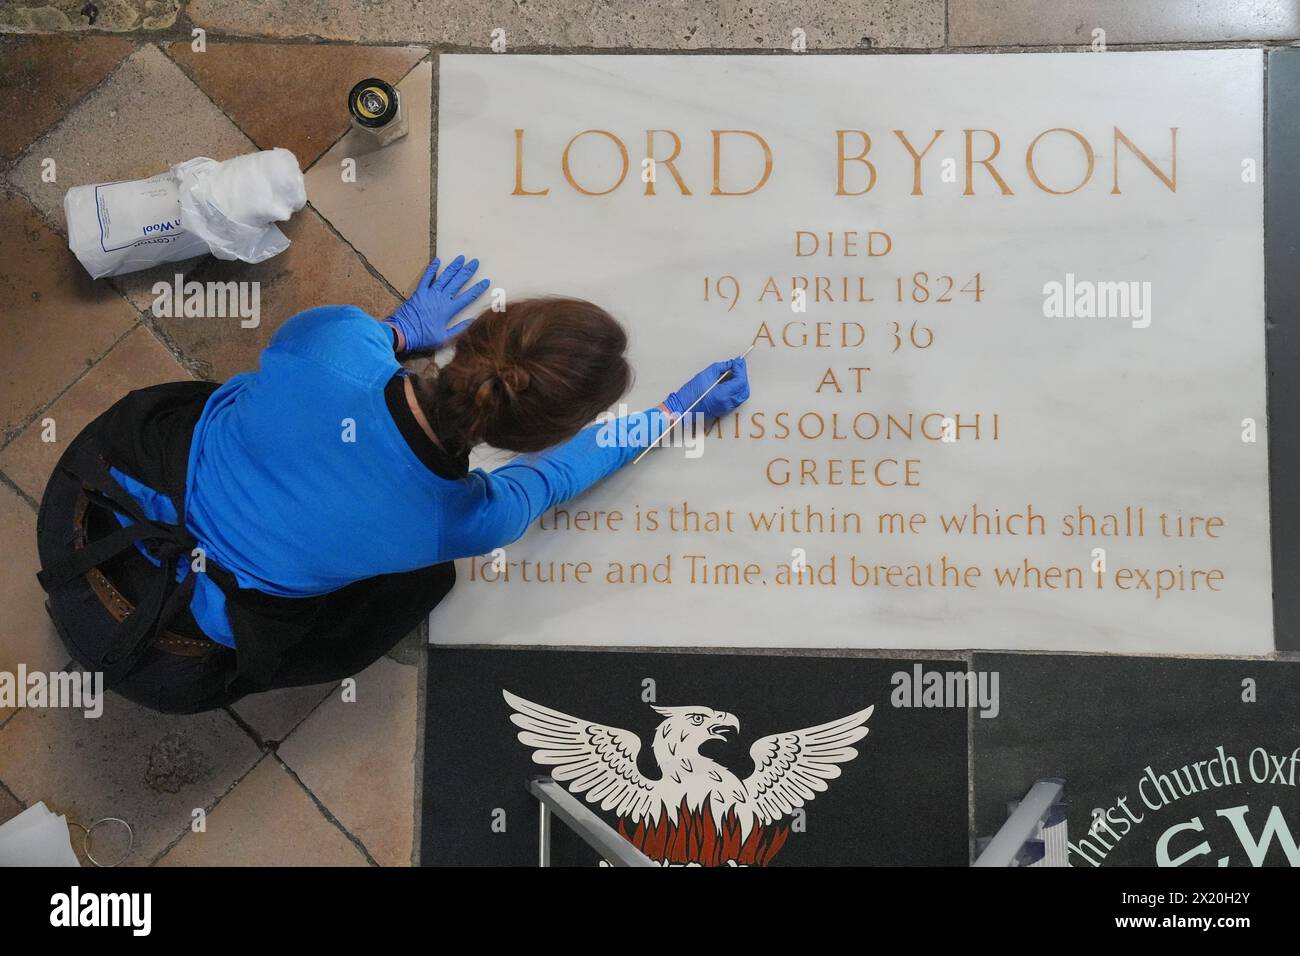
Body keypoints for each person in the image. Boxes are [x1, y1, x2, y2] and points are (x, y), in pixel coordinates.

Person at [36, 256, 750, 713]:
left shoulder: (336, 340)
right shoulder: (465, 521)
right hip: (170, 651)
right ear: (530, 435)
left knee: (235, 404)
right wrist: (669, 415)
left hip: (86, 516)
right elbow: (560, 477)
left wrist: (398, 332)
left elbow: (315, 352)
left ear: (476, 332)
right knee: (424, 580)